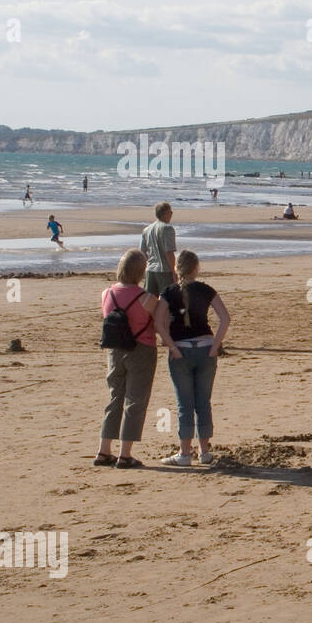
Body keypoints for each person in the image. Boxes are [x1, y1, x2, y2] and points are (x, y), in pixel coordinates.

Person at [155, 250, 230, 466]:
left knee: (185, 403)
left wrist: (172, 347)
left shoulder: (168, 292)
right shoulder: (206, 289)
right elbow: (225, 318)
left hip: (181, 350)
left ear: (177, 268)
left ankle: (185, 453)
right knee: (203, 402)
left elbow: (159, 323)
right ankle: (204, 451)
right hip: (205, 348)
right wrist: (215, 346)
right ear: (196, 268)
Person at [96, 249, 160, 470]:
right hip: (141, 349)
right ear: (140, 271)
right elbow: (159, 321)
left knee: (115, 398)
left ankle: (104, 450)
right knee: (135, 401)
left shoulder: (107, 294)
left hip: (114, 350)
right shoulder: (147, 298)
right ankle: (125, 454)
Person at [140, 201, 177, 296]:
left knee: (150, 301)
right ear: (165, 213)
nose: (172, 214)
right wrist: (173, 270)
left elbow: (142, 253)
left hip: (150, 269)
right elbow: (169, 252)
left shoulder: (146, 230)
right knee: (168, 300)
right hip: (164, 270)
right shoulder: (167, 228)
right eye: (170, 212)